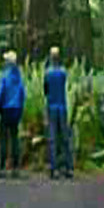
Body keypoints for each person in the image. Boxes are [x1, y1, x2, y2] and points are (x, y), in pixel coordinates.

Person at [0, 49, 25, 178]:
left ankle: (2, 167)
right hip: (17, 109)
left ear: (7, 62)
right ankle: (16, 168)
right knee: (15, 138)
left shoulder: (3, 76)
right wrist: (20, 108)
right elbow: (23, 93)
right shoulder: (19, 76)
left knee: (4, 138)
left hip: (6, 109)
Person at [43, 45, 72, 179]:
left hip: (52, 107)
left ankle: (54, 169)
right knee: (65, 138)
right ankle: (68, 168)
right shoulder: (63, 72)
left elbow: (46, 91)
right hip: (62, 106)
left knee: (53, 138)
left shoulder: (48, 73)